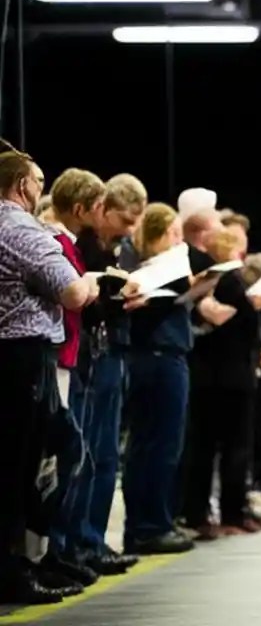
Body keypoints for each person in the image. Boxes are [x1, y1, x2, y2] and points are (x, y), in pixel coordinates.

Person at [0, 150, 99, 605]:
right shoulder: (21, 227)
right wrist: (96, 282)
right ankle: (16, 569)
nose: (43, 190)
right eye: (39, 181)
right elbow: (75, 293)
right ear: (22, 186)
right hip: (24, 359)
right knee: (26, 467)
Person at [67, 174, 146, 575]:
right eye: (124, 219)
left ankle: (91, 540)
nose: (129, 230)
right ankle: (76, 544)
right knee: (85, 454)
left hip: (104, 351)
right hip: (88, 355)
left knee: (102, 454)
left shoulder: (104, 249)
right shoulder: (81, 247)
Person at [40, 169, 106, 588]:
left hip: (69, 355)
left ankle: (57, 550)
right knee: (55, 460)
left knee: (69, 457)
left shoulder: (68, 243)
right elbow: (70, 294)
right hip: (58, 358)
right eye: (99, 206)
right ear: (81, 208)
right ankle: (47, 552)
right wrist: (90, 287)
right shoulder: (55, 242)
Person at [183, 228, 261, 538]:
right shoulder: (229, 283)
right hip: (229, 379)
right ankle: (231, 512)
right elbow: (237, 323)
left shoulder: (218, 284)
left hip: (214, 378)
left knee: (207, 448)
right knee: (233, 448)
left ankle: (206, 512)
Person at [122, 204, 197, 555]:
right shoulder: (145, 271)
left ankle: (152, 522)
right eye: (173, 234)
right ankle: (149, 526)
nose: (179, 242)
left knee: (152, 445)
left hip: (162, 357)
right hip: (158, 358)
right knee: (158, 446)